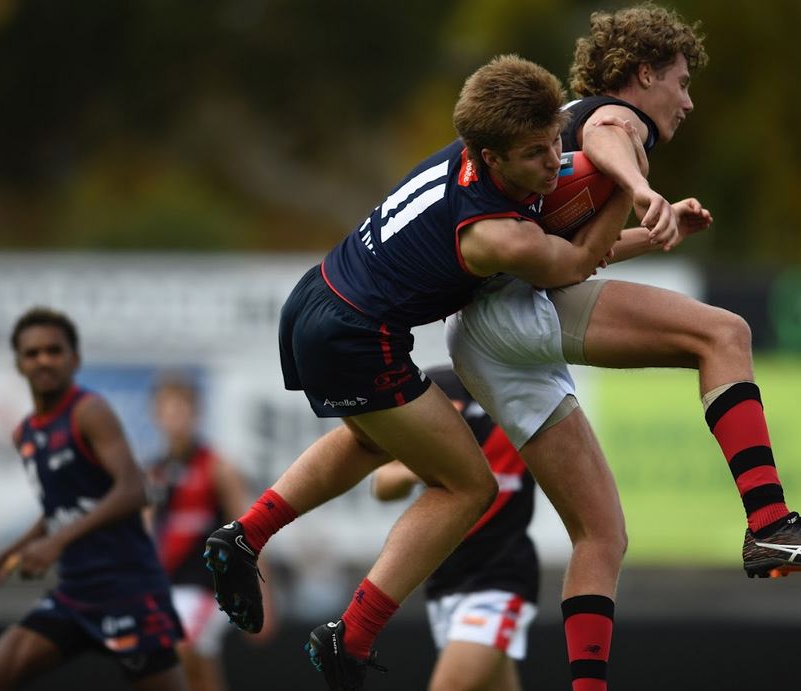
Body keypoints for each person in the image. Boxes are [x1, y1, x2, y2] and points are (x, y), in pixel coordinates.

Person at [444, 5, 801, 689]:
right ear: (642, 73)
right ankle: (770, 522)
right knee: (724, 332)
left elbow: (576, 255)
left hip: (480, 330)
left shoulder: (565, 134)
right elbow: (611, 132)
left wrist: (655, 226)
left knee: (601, 535)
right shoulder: (613, 118)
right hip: (510, 312)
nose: (687, 98)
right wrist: (642, 185)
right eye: (678, 81)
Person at [202, 55, 641, 691]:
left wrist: (649, 227)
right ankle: (350, 636)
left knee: (370, 438)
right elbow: (571, 264)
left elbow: (567, 212)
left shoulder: (480, 140)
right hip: (355, 335)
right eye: (534, 154)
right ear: (490, 156)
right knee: (468, 488)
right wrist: (627, 190)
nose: (553, 162)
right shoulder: (498, 234)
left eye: (554, 143)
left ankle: (244, 536)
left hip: (317, 298)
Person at [0, 307, 188, 691]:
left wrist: (55, 544)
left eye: (53, 350)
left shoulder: (88, 412)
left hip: (128, 589)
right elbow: (60, 510)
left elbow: (133, 490)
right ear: (18, 364)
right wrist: (7, 557)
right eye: (32, 353)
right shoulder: (26, 434)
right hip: (75, 594)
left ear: (74, 359)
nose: (43, 360)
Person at [371, 365, 538, 691]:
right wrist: (422, 468)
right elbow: (382, 484)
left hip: (499, 580)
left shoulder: (527, 390)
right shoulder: (440, 387)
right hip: (445, 581)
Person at [146, 372, 276, 691]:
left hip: (210, 589)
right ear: (156, 415)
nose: (176, 418)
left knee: (183, 647)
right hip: (168, 588)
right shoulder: (153, 473)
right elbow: (144, 540)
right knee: (195, 673)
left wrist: (264, 600)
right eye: (168, 410)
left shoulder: (218, 468)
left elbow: (250, 534)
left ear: (197, 413)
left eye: (183, 409)